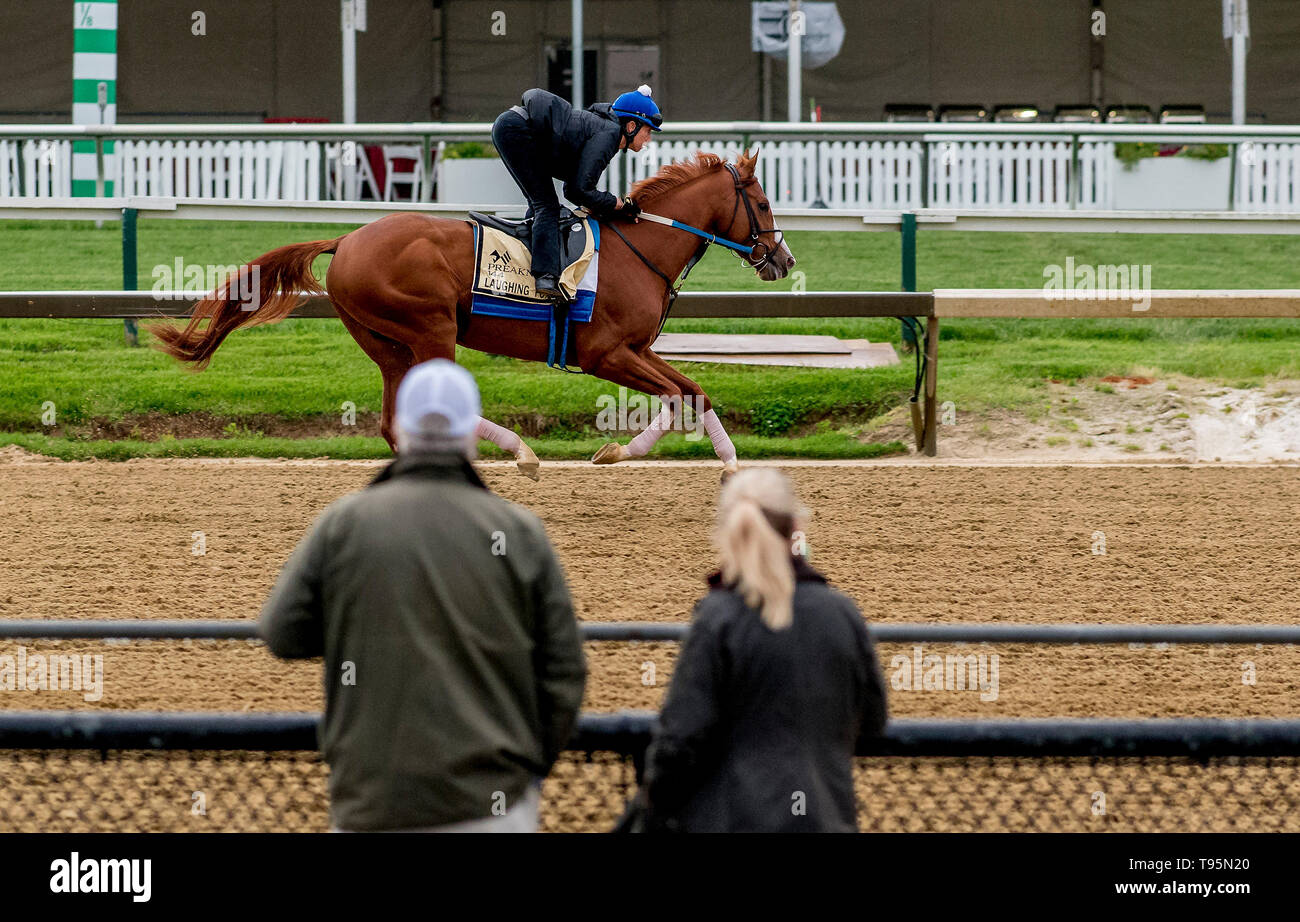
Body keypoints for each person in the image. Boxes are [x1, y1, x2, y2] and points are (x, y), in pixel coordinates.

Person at [258, 358, 586, 832]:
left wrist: (356, 620)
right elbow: (564, 672)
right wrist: (528, 771)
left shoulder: (345, 523)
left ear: (400, 432)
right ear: (471, 436)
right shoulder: (519, 531)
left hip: (373, 802)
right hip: (493, 805)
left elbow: (281, 633)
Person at [634, 468, 889, 833]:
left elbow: (682, 737)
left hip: (731, 817)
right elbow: (873, 721)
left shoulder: (717, 617)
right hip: (824, 817)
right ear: (796, 524)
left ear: (730, 531)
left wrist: (653, 804)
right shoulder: (841, 612)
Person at [491, 84, 662, 302]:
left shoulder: (604, 131)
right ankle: (546, 278)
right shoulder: (608, 135)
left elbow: (575, 189)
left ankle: (527, 263)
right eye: (647, 131)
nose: (648, 139)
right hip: (516, 130)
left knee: (541, 204)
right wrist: (618, 204)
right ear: (631, 126)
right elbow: (578, 190)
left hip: (513, 126)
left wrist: (608, 205)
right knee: (547, 206)